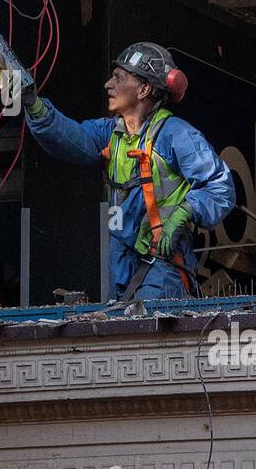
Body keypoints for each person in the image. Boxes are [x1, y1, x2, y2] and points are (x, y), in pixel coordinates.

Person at [21, 42, 235, 301]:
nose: (108, 84)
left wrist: (184, 212)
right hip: (122, 262)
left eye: (119, 78)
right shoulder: (111, 134)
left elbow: (220, 187)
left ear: (144, 89)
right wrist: (34, 105)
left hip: (163, 265)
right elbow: (71, 138)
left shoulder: (176, 134)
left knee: (149, 331)